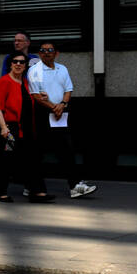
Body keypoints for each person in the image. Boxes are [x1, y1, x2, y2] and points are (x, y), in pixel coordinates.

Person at [27, 42, 97, 199]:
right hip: (43, 114)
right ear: (39, 54)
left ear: (56, 53)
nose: (46, 53)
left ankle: (74, 186)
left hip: (61, 115)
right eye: (43, 51)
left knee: (67, 149)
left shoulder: (62, 69)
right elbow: (36, 96)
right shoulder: (34, 71)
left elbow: (68, 90)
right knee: (38, 152)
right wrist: (54, 107)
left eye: (49, 50)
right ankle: (31, 185)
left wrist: (62, 105)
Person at [0, 53, 53, 203]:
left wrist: (43, 97)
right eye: (15, 61)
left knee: (32, 159)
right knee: (7, 159)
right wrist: (3, 127)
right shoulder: (4, 81)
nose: (18, 64)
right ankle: (1, 193)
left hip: (26, 128)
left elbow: (33, 101)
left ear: (26, 66)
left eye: (22, 62)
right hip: (10, 128)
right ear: (11, 64)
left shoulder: (27, 83)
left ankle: (37, 192)